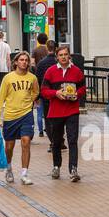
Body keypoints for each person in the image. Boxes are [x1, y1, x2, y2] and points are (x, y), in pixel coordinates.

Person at [0, 50, 40, 186]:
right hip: (10, 116)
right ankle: (8, 168)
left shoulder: (32, 78)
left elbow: (36, 91)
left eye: (26, 60)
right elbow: (0, 98)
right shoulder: (8, 78)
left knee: (26, 142)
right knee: (9, 146)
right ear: (16, 62)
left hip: (26, 114)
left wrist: (30, 100)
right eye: (21, 60)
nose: (24, 62)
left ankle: (24, 173)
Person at [41, 45, 85, 181]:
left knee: (72, 140)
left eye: (66, 54)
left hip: (72, 110)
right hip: (56, 111)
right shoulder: (50, 71)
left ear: (69, 56)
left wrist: (76, 94)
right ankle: (56, 166)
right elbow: (43, 90)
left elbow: (83, 88)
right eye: (61, 55)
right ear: (57, 57)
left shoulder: (77, 71)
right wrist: (56, 93)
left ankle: (73, 169)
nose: (64, 57)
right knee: (56, 141)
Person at [35, 39, 58, 145]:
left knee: (48, 119)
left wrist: (38, 95)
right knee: (59, 118)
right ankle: (59, 139)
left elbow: (38, 79)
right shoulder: (58, 62)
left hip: (46, 95)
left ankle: (53, 141)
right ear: (56, 49)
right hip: (59, 94)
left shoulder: (41, 63)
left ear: (47, 48)